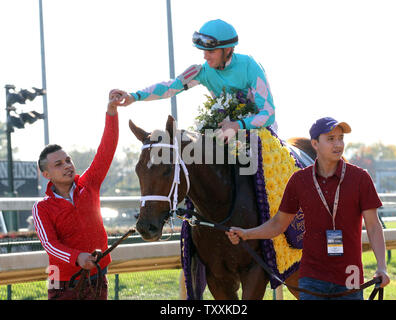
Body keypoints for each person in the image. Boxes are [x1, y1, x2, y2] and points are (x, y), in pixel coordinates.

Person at [226, 117, 390, 300]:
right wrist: (246, 234)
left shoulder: (360, 178)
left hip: (350, 276)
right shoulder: (299, 180)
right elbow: (278, 224)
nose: (338, 144)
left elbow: (374, 226)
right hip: (312, 278)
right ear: (315, 143)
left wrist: (382, 267)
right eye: (330, 139)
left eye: (340, 138)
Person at [110, 19, 276, 143]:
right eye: (203, 51)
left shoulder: (250, 66)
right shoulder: (202, 71)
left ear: (228, 50)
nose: (205, 56)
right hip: (224, 131)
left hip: (259, 133)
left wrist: (237, 125)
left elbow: (268, 113)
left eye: (211, 51)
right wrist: (134, 96)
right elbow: (169, 87)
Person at [32, 95, 122, 300]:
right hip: (61, 283)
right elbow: (49, 245)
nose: (67, 165)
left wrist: (111, 113)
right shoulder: (41, 208)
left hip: (97, 276)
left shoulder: (89, 184)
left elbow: (106, 150)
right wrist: (77, 257)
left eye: (68, 160)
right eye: (58, 164)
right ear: (46, 175)